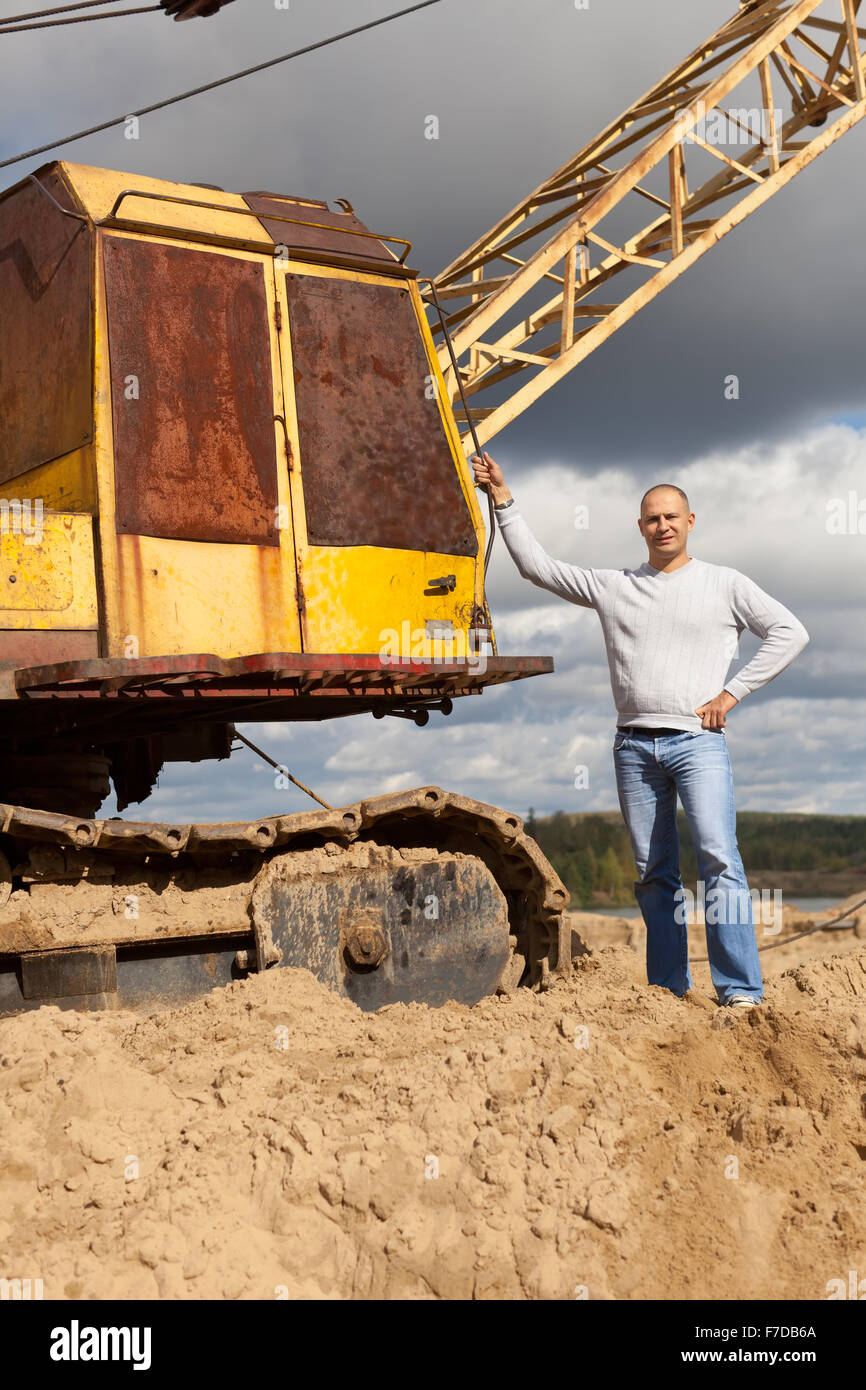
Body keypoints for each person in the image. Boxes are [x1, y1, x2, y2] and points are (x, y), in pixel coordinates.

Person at [470, 451, 809, 1009]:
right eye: (653, 518)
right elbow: (538, 567)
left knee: (720, 860)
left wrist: (732, 693)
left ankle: (741, 994)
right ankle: (668, 992)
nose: (663, 525)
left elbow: (789, 632)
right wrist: (502, 496)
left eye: (673, 516)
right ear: (641, 526)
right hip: (633, 746)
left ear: (690, 522)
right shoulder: (615, 586)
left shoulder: (724, 583)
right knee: (654, 875)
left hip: (697, 743)